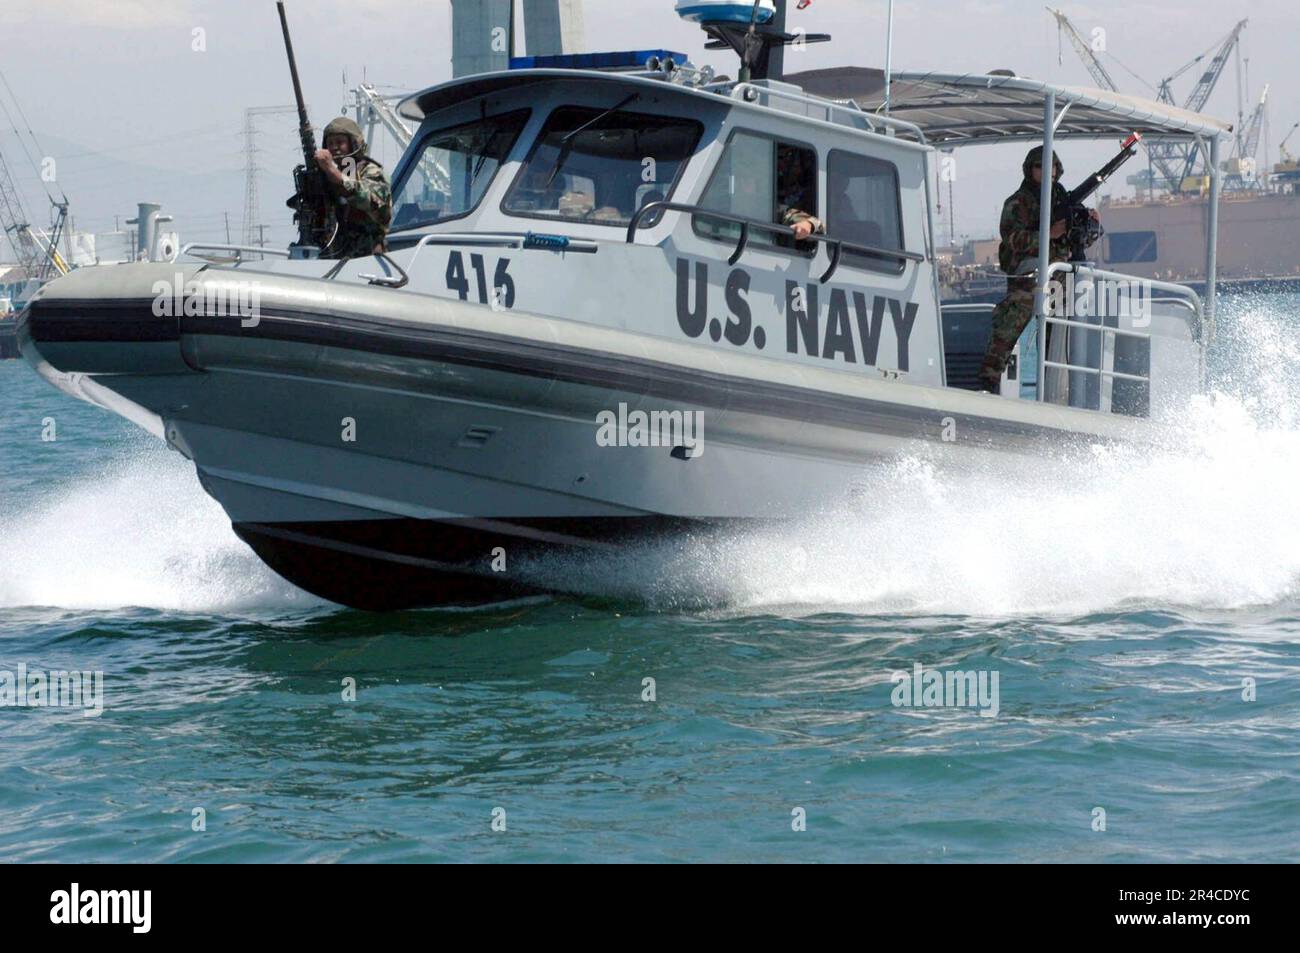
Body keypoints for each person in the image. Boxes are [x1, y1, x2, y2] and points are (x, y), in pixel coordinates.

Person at [977, 145, 1100, 393]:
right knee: (1011, 324)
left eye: (1052, 166)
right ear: (1030, 169)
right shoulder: (1017, 203)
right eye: (1040, 166)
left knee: (1058, 335)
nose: (1047, 171)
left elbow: (1078, 240)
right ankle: (989, 380)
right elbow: (1012, 238)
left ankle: (1055, 387)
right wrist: (1048, 234)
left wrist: (1091, 226)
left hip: (1058, 278)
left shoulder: (1063, 200)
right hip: (1027, 276)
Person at [312, 116, 392, 260]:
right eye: (330, 143)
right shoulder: (332, 177)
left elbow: (373, 202)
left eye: (340, 142)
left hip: (368, 257)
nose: (334, 147)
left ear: (354, 144)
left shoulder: (372, 171)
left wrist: (336, 175)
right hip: (334, 256)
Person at [776, 145, 824, 240]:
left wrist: (808, 225)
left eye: (789, 158)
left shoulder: (808, 196)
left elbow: (820, 226)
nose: (782, 165)